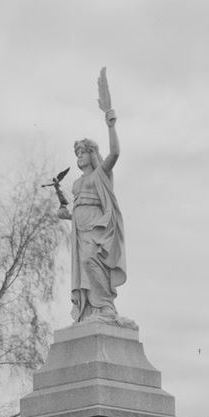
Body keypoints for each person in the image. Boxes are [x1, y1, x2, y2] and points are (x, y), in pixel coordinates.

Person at [58, 108, 126, 323]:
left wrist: (111, 126)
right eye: (77, 153)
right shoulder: (77, 183)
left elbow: (115, 153)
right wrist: (67, 215)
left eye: (83, 152)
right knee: (83, 268)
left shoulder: (100, 173)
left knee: (93, 261)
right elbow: (80, 208)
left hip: (97, 227)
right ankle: (89, 311)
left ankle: (105, 306)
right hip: (80, 230)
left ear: (92, 154)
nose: (79, 156)